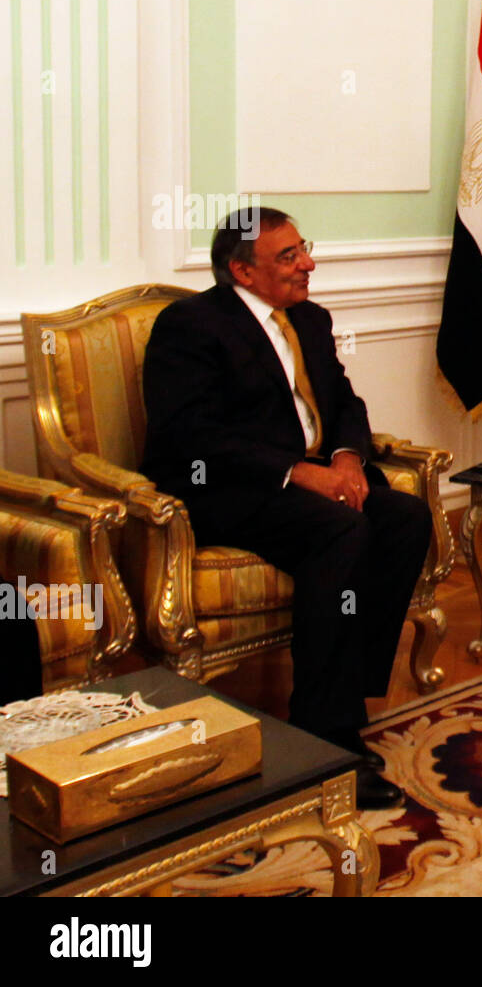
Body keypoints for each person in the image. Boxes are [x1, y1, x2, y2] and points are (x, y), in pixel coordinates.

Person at [141, 207, 432, 809]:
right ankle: (323, 733)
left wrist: (348, 459)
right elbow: (189, 435)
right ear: (242, 270)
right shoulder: (190, 325)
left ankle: (347, 695)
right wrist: (299, 473)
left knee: (405, 518)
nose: (309, 264)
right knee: (341, 532)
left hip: (317, 479)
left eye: (304, 248)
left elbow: (345, 402)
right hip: (232, 489)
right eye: (288, 257)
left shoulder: (311, 320)